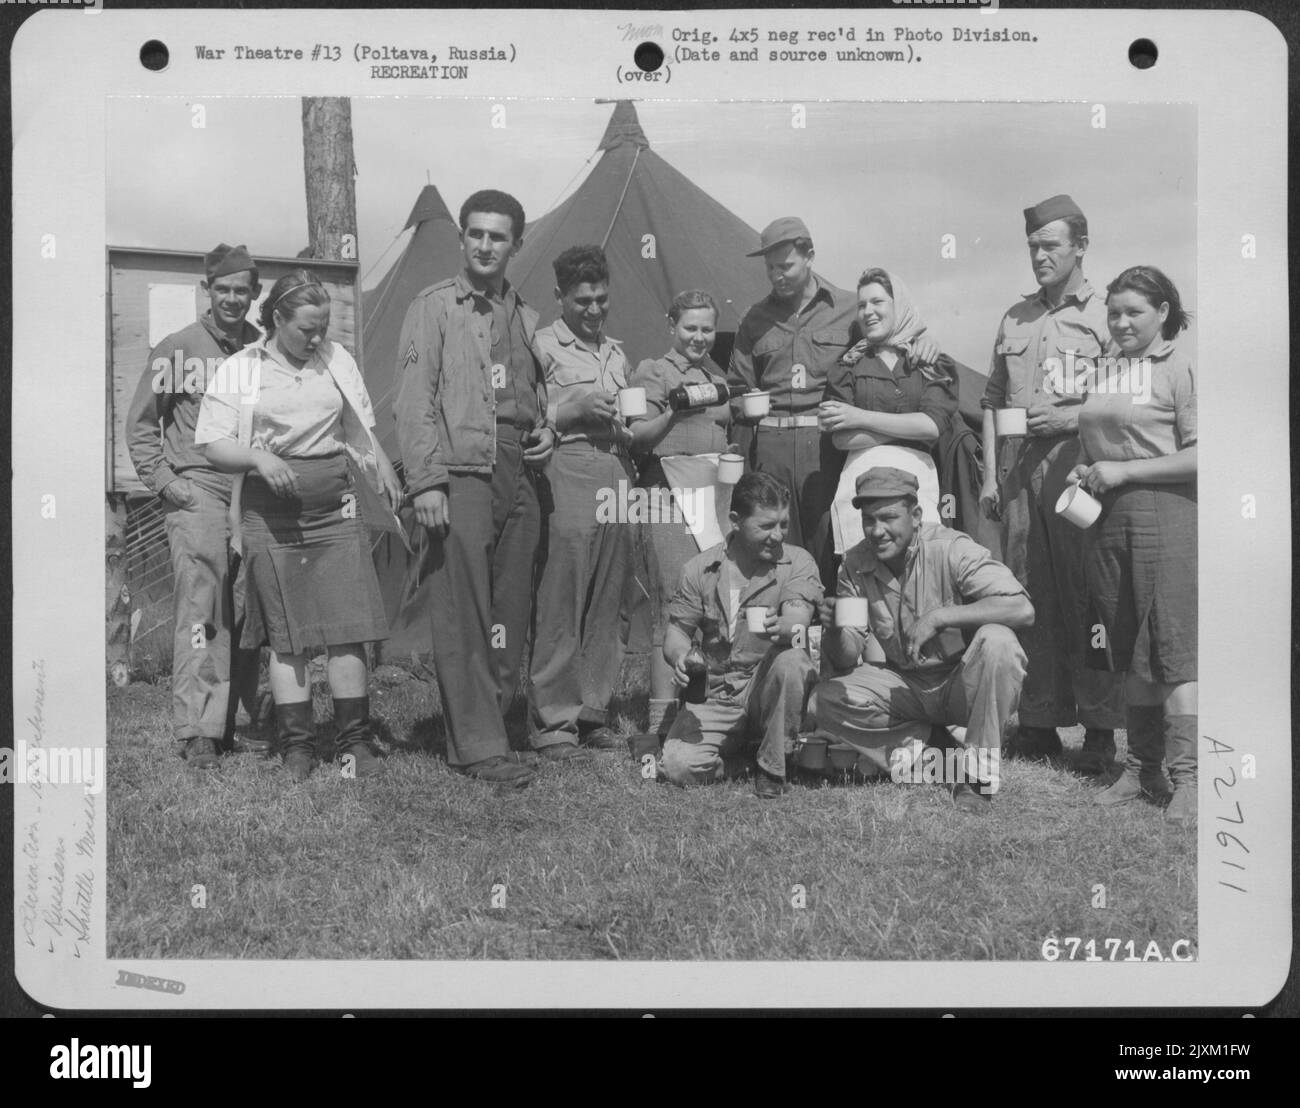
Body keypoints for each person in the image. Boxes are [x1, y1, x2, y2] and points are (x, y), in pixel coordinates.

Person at [196, 271, 403, 781]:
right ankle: (298, 748)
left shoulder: (336, 359)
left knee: (347, 627)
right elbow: (212, 444)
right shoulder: (243, 370)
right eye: (306, 329)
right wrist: (258, 460)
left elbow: (358, 424)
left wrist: (384, 470)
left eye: (324, 327)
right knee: (288, 637)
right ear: (276, 320)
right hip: (272, 513)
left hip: (338, 507)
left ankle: (355, 743)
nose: (317, 338)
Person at [394, 189, 556, 788]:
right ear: (462, 237)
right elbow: (413, 403)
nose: (486, 245)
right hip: (459, 473)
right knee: (464, 610)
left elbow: (524, 396)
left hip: (519, 468)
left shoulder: (522, 312)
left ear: (516, 243)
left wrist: (545, 433)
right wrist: (427, 482)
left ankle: (492, 722)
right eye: (477, 234)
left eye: (499, 236)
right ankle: (479, 746)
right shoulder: (433, 306)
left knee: (510, 608)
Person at [978, 194, 1124, 771]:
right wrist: (990, 475)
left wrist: (1069, 418)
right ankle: (1037, 721)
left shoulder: (1106, 315)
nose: (1039, 256)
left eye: (1050, 246)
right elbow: (991, 403)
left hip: (1079, 468)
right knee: (1027, 591)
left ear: (1081, 247)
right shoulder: (1015, 318)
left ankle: (1101, 727)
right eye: (1032, 247)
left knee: (1087, 595)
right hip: (1018, 476)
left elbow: (1123, 401)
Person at [728, 219, 939, 587]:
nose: (777, 275)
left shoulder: (848, 308)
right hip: (772, 445)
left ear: (810, 256)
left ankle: (833, 636)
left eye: (786, 266)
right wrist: (745, 404)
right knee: (776, 544)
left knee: (831, 542)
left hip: (826, 446)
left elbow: (888, 338)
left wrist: (924, 342)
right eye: (770, 268)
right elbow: (737, 387)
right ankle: (788, 635)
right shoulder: (754, 318)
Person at [811, 468, 1033, 814]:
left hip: (962, 682)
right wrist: (836, 629)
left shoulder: (952, 549)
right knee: (823, 702)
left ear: (916, 516)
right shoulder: (854, 565)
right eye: (868, 520)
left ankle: (977, 779)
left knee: (999, 642)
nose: (877, 530)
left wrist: (940, 617)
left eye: (888, 518)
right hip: (906, 685)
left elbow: (1021, 608)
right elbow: (846, 659)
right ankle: (939, 750)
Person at [125, 243, 265, 769]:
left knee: (255, 605)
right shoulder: (176, 349)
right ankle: (199, 728)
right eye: (223, 289)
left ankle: (245, 720)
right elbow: (141, 426)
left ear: (254, 294)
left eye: (242, 290)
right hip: (199, 489)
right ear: (208, 290)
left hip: (254, 489)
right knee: (203, 607)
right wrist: (167, 484)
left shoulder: (264, 349)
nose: (232, 299)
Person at [1069, 267, 1197, 824]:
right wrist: (1089, 469)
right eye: (1113, 312)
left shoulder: (1180, 367)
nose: (1120, 322)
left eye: (1133, 313)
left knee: (1171, 648)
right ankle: (1142, 768)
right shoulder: (1109, 370)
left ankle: (1191, 779)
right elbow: (1101, 439)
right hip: (1107, 521)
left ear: (1163, 312)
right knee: (1128, 645)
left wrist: (1124, 471)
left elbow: (1205, 455)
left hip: (1165, 517)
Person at [528, 245, 634, 759]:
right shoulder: (540, 345)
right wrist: (570, 407)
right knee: (562, 596)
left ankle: (593, 711)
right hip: (566, 467)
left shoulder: (617, 351)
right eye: (583, 301)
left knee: (607, 598)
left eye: (602, 300)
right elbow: (528, 411)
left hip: (615, 468)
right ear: (560, 297)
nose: (594, 310)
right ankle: (553, 721)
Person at [660, 472, 822, 798]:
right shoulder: (699, 569)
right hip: (716, 694)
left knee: (792, 661)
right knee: (678, 767)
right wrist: (680, 657)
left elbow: (798, 610)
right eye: (766, 526)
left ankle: (773, 768)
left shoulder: (798, 561)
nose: (777, 535)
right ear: (735, 520)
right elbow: (677, 632)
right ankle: (746, 761)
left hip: (767, 689)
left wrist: (790, 625)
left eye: (784, 525)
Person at [627, 289, 734, 745]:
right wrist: (675, 406)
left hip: (713, 494)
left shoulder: (718, 374)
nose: (699, 337)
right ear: (673, 324)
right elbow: (636, 436)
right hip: (666, 491)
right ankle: (659, 720)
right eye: (690, 327)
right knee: (672, 605)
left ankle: (702, 711)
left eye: (707, 329)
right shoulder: (650, 370)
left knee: (711, 599)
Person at [821, 267, 958, 555]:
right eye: (861, 305)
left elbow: (932, 426)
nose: (867, 311)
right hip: (861, 486)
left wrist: (860, 417)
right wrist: (909, 430)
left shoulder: (929, 361)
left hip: (917, 481)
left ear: (900, 305)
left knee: (922, 566)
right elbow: (841, 438)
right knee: (864, 570)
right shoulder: (848, 365)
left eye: (877, 302)